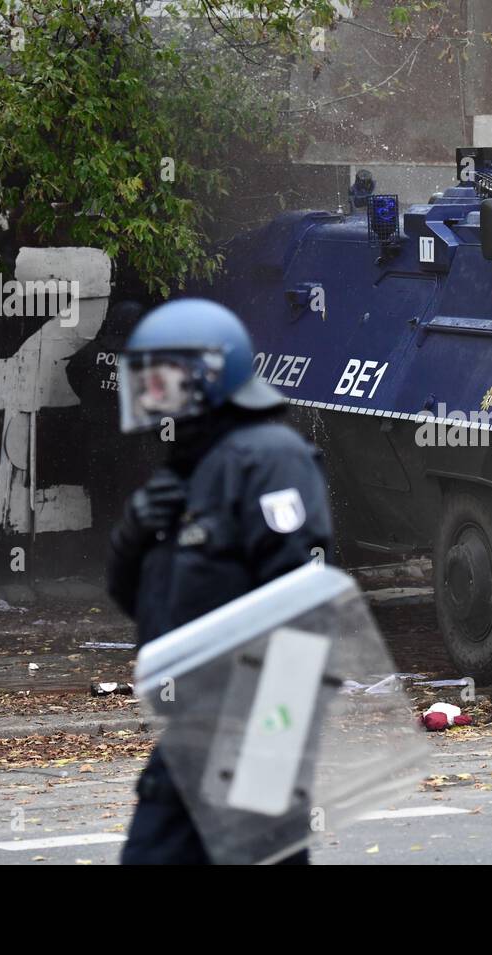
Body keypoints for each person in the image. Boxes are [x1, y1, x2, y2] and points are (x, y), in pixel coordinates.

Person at [107, 298, 331, 865]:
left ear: (209, 376)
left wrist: (272, 746)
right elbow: (142, 605)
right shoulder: (192, 470)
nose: (152, 398)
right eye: (147, 384)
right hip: (192, 732)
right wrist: (134, 535)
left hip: (253, 730)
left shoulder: (268, 457)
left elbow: (302, 606)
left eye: (164, 383)